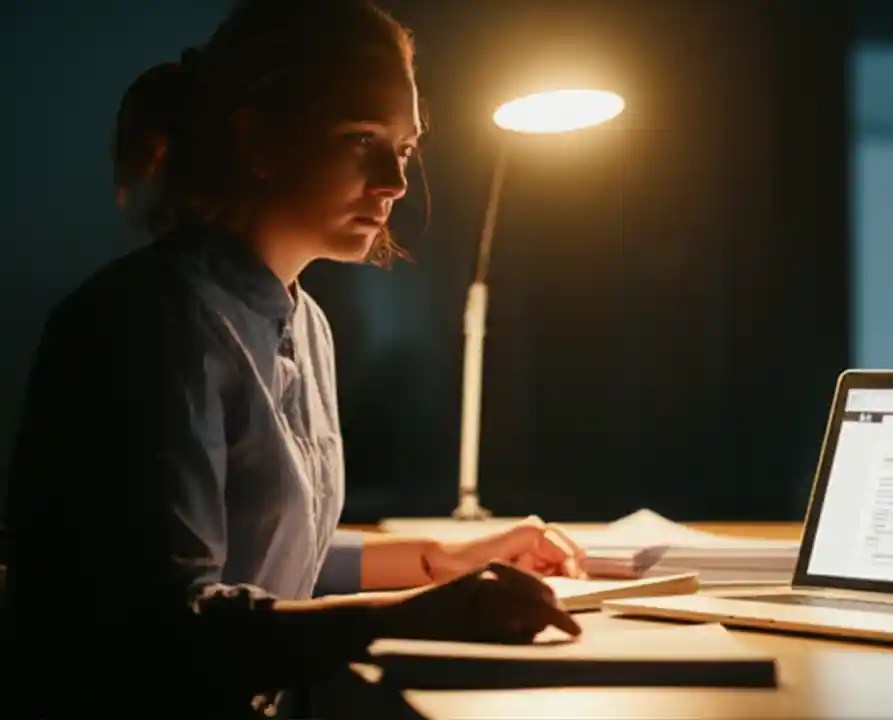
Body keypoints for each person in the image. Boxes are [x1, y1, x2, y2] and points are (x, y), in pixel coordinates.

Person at [0, 0, 584, 716]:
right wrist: (406, 616)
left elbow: (262, 545)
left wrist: (441, 561)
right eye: (361, 138)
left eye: (403, 150)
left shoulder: (304, 320)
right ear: (258, 141)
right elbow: (160, 629)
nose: (395, 183)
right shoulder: (150, 318)